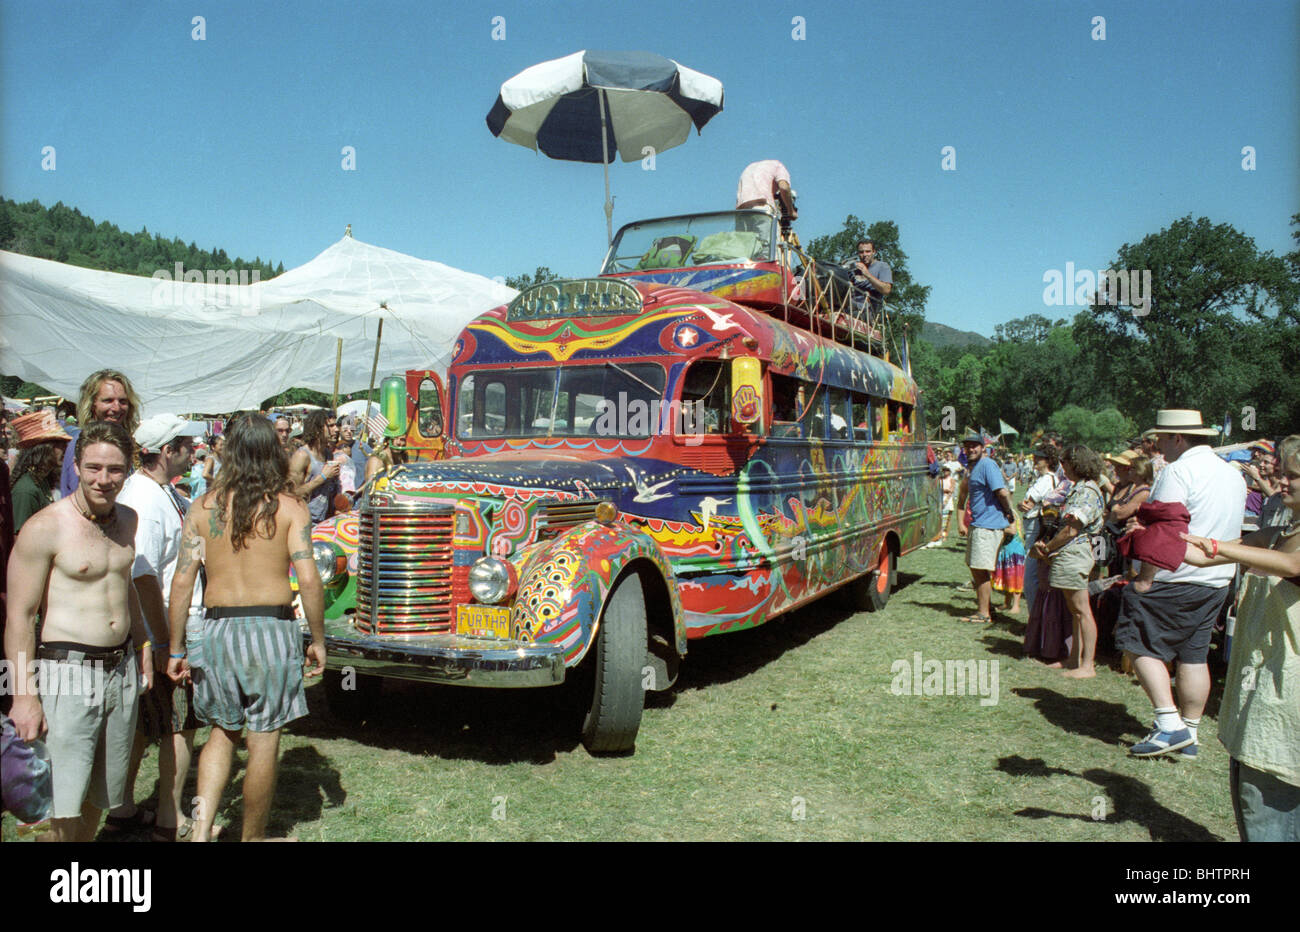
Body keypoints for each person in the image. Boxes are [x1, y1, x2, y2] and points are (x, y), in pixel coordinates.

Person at [166, 414, 326, 842]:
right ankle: (252, 838)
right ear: (275, 453)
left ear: (229, 452)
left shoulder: (202, 508)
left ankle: (201, 832)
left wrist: (176, 648)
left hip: (217, 629)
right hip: (271, 628)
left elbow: (182, 581)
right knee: (264, 738)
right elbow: (309, 579)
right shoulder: (290, 508)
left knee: (221, 733)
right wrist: (318, 640)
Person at [5, 420, 152, 842]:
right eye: (93, 468)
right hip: (67, 673)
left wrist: (143, 643)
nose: (103, 479)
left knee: (99, 795)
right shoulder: (45, 527)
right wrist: (24, 697)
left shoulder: (128, 520)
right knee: (63, 800)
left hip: (120, 669)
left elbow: (125, 587)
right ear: (76, 466)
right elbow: (20, 617)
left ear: (128, 470)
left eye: (115, 469)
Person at [1179, 434, 1300, 840]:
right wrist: (1162, 536)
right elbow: (1204, 554)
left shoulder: (1284, 546)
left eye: (1292, 476)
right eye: (1282, 473)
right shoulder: (1279, 533)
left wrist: (1216, 545)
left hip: (1289, 700)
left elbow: (1291, 565)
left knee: (1270, 813)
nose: (1281, 482)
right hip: (1264, 691)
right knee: (1254, 803)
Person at [1114, 409, 1247, 757]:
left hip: (1177, 575)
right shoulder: (1231, 474)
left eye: (1160, 438)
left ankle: (1169, 724)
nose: (1157, 446)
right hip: (1217, 577)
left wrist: (1144, 580)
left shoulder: (1178, 471)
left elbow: (1164, 528)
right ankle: (1190, 732)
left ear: (1177, 438)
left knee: (1136, 640)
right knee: (1194, 655)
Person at [105, 414, 203, 841]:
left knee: (145, 726)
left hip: (162, 627)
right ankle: (171, 818)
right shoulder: (144, 499)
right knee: (179, 726)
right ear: (167, 450)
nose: (194, 451)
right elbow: (142, 576)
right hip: (163, 627)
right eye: (186, 444)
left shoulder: (157, 491)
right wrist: (165, 643)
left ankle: (122, 807)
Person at [1030, 444, 1106, 678]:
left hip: (1076, 554)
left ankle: (1087, 665)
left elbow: (1071, 530)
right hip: (1072, 554)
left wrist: (1047, 548)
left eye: (1065, 462)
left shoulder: (1087, 491)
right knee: (1076, 611)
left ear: (1077, 464)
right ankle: (1074, 659)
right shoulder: (1081, 488)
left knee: (1082, 611)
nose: (1062, 467)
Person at [955, 430, 1016, 623]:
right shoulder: (975, 467)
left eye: (974, 446)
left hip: (987, 526)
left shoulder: (988, 465)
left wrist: (1009, 514)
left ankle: (984, 613)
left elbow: (1002, 492)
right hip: (980, 524)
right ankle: (986, 609)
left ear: (983, 448)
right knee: (977, 569)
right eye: (967, 446)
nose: (970, 449)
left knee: (980, 570)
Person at [59, 370, 142, 498]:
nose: (117, 408)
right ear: (92, 404)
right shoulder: (83, 443)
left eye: (122, 401)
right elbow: (83, 499)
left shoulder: (122, 442)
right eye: (108, 400)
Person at [8, 410, 72, 533]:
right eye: (59, 443)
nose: (65, 448)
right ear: (42, 449)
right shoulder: (26, 490)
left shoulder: (43, 480)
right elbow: (19, 537)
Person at [289, 410, 340, 524]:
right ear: (317, 430)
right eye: (330, 426)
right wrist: (323, 477)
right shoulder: (302, 456)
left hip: (324, 521)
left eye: (336, 425)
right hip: (304, 521)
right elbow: (292, 493)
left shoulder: (328, 454)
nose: (336, 429)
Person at [845, 239, 893, 323]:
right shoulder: (853, 268)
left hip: (868, 310)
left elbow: (886, 290)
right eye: (861, 252)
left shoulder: (882, 266)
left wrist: (867, 274)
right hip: (849, 305)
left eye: (868, 251)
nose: (864, 255)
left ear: (874, 252)